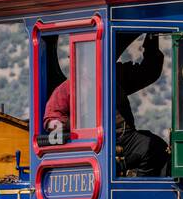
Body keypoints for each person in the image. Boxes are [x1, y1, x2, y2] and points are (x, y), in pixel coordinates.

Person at [41, 33, 169, 175]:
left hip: (124, 138)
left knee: (158, 147)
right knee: (148, 147)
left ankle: (134, 177)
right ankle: (133, 182)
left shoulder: (114, 76)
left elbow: (148, 72)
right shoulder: (67, 89)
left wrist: (152, 37)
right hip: (94, 143)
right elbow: (51, 121)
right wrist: (79, 124)